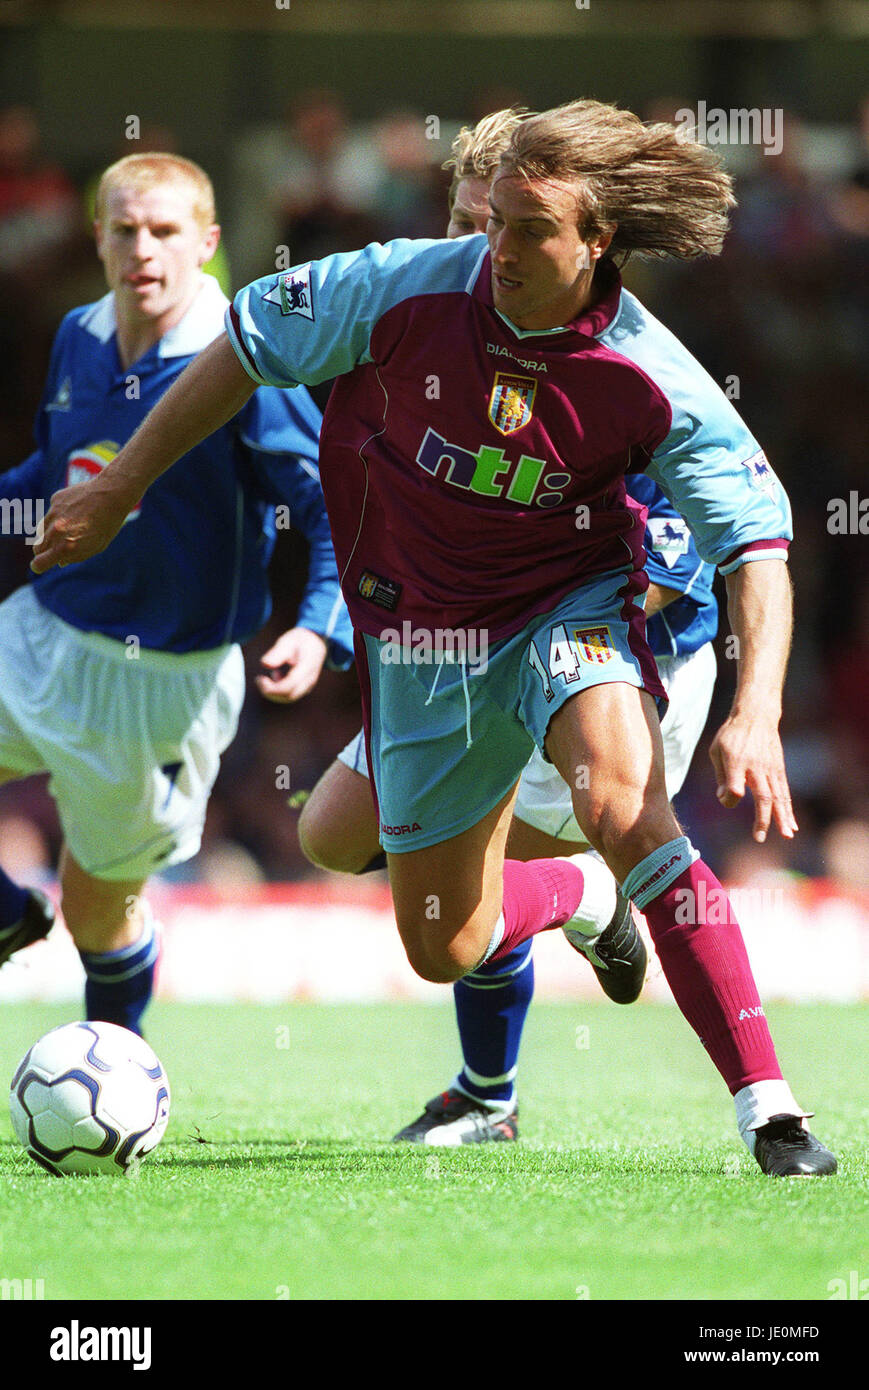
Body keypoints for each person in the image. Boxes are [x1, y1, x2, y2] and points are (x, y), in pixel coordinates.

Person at [31, 102, 837, 1177]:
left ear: (595, 242)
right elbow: (245, 340)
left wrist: (755, 709)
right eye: (488, 220)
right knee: (428, 932)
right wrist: (123, 484)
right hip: (421, 642)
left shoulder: (655, 377)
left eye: (524, 229)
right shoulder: (399, 283)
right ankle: (579, 895)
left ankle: (767, 1109)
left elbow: (759, 541)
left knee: (619, 804)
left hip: (566, 609)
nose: (492, 248)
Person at [295, 110, 720, 1145]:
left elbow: (665, 565)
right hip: (455, 643)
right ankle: (573, 906)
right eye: (464, 224)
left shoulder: (617, 366)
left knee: (467, 889)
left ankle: (489, 1090)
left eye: (500, 228)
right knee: (329, 835)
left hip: (597, 662)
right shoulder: (438, 326)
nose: (476, 254)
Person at [0, 152, 352, 1035]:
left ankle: (114, 1065)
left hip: (160, 687)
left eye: (164, 232)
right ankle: (7, 909)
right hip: (45, 628)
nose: (143, 250)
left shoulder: (242, 368)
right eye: (125, 230)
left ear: (207, 242)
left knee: (95, 911)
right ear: (99, 238)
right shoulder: (79, 333)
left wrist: (317, 627)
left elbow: (332, 510)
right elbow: (57, 470)